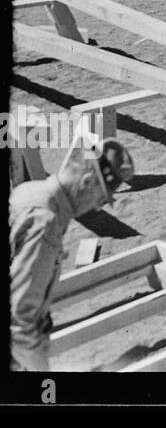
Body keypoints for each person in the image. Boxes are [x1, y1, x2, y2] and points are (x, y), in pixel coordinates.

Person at [10, 138, 135, 371]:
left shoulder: (31, 190)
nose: (97, 208)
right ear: (87, 181)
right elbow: (19, 322)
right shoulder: (45, 222)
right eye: (100, 199)